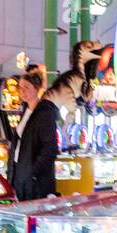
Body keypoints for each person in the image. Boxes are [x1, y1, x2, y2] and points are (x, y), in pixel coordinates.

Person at [9, 68, 88, 201]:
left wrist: (33, 172)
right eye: (20, 87)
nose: (22, 91)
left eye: (27, 87)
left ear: (36, 89)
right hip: (20, 171)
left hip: (34, 178)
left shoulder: (44, 113)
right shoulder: (26, 111)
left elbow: (50, 149)